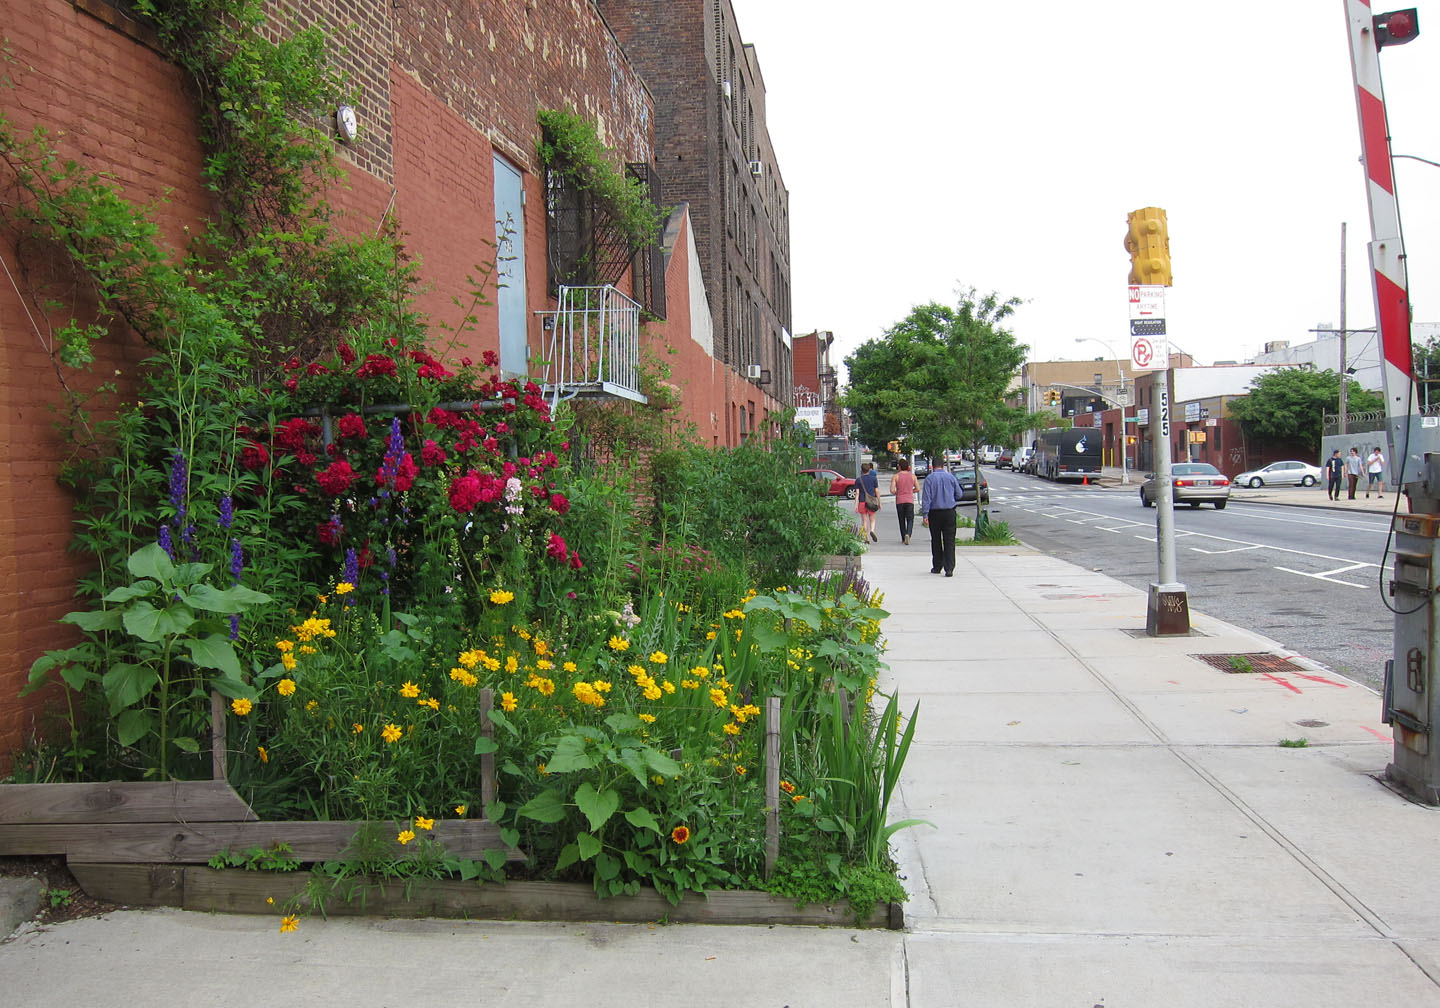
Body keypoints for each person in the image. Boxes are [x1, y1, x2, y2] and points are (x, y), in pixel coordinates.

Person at [919, 463, 963, 577]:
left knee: (936, 540)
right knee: (949, 540)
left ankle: (937, 566)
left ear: (932, 466)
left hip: (935, 513)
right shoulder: (951, 477)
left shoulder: (929, 479)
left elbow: (926, 498)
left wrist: (925, 514)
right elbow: (959, 494)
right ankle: (949, 568)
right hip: (949, 512)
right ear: (942, 466)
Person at [890, 458, 919, 545]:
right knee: (910, 519)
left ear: (899, 467)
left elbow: (892, 490)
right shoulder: (913, 476)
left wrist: (898, 492)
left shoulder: (896, 476)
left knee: (901, 520)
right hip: (909, 500)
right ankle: (908, 534)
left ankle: (903, 538)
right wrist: (911, 491)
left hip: (900, 501)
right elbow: (918, 489)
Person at [854, 461, 881, 542]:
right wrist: (879, 502)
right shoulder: (873, 479)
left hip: (862, 501)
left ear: (861, 470)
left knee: (864, 520)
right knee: (872, 519)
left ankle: (866, 538)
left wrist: (856, 504)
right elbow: (876, 491)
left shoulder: (858, 480)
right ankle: (872, 530)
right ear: (869, 470)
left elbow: (857, 493)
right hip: (871, 501)